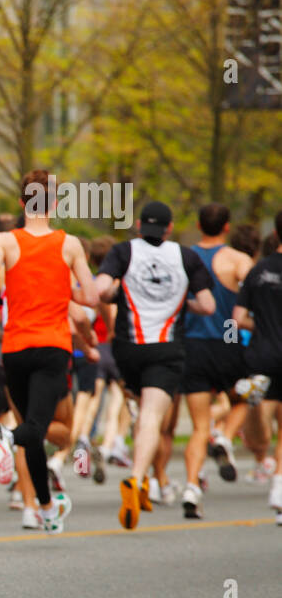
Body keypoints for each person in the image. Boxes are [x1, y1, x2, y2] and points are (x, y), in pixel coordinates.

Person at [0, 171, 98, 532]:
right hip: (52, 346)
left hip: (14, 348)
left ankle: (45, 507)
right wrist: (67, 292)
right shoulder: (69, 243)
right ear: (55, 204)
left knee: (33, 428)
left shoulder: (4, 240)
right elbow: (91, 298)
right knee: (36, 428)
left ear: (21, 204)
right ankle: (4, 437)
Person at [94, 201, 215, 530]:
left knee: (138, 410)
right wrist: (180, 302)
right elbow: (208, 304)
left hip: (128, 348)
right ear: (170, 227)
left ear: (138, 225)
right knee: (152, 416)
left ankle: (144, 477)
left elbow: (101, 289)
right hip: (166, 348)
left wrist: (114, 295)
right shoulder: (186, 257)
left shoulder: (123, 251)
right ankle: (136, 478)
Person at [179, 204, 255, 517]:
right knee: (246, 395)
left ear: (198, 225)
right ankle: (224, 435)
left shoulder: (182, 257)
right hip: (226, 337)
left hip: (192, 342)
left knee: (198, 427)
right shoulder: (237, 260)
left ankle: (191, 488)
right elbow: (255, 297)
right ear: (226, 227)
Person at [231, 214, 282, 522]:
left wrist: (261, 327)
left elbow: (236, 319)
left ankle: (252, 411)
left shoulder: (258, 271)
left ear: (275, 232)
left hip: (261, 352)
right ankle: (279, 487)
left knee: (259, 415)